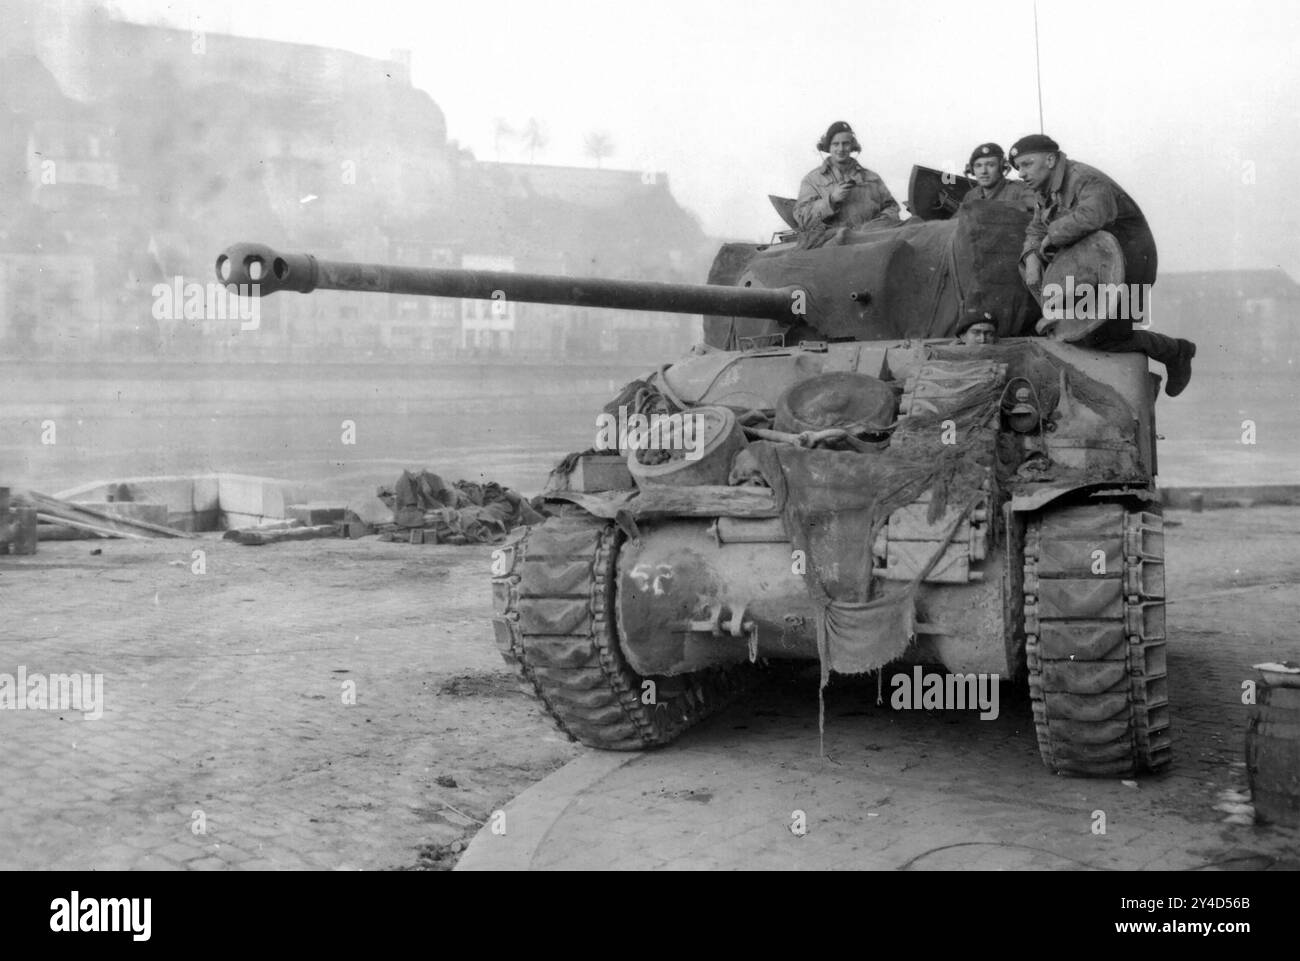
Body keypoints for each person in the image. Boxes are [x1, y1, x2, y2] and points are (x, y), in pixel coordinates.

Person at [1009, 134, 1196, 396]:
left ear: (1050, 160)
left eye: (1027, 164)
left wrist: (1053, 235)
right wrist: (1030, 257)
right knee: (1079, 332)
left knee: (1106, 339)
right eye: (1019, 168)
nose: (1021, 173)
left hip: (1129, 262)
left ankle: (1176, 351)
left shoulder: (1084, 178)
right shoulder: (1045, 191)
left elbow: (1093, 214)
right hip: (1090, 265)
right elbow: (1036, 228)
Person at [793, 121, 900, 231]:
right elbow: (802, 218)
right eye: (835, 144)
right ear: (828, 147)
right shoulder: (812, 180)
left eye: (845, 143)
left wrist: (882, 222)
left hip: (873, 240)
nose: (841, 149)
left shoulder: (872, 178)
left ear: (852, 146)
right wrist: (831, 200)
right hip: (836, 244)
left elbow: (891, 206)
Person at [960, 142, 1035, 212]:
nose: (983, 171)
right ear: (972, 170)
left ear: (1001, 167)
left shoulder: (1020, 189)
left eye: (991, 165)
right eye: (978, 166)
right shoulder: (971, 196)